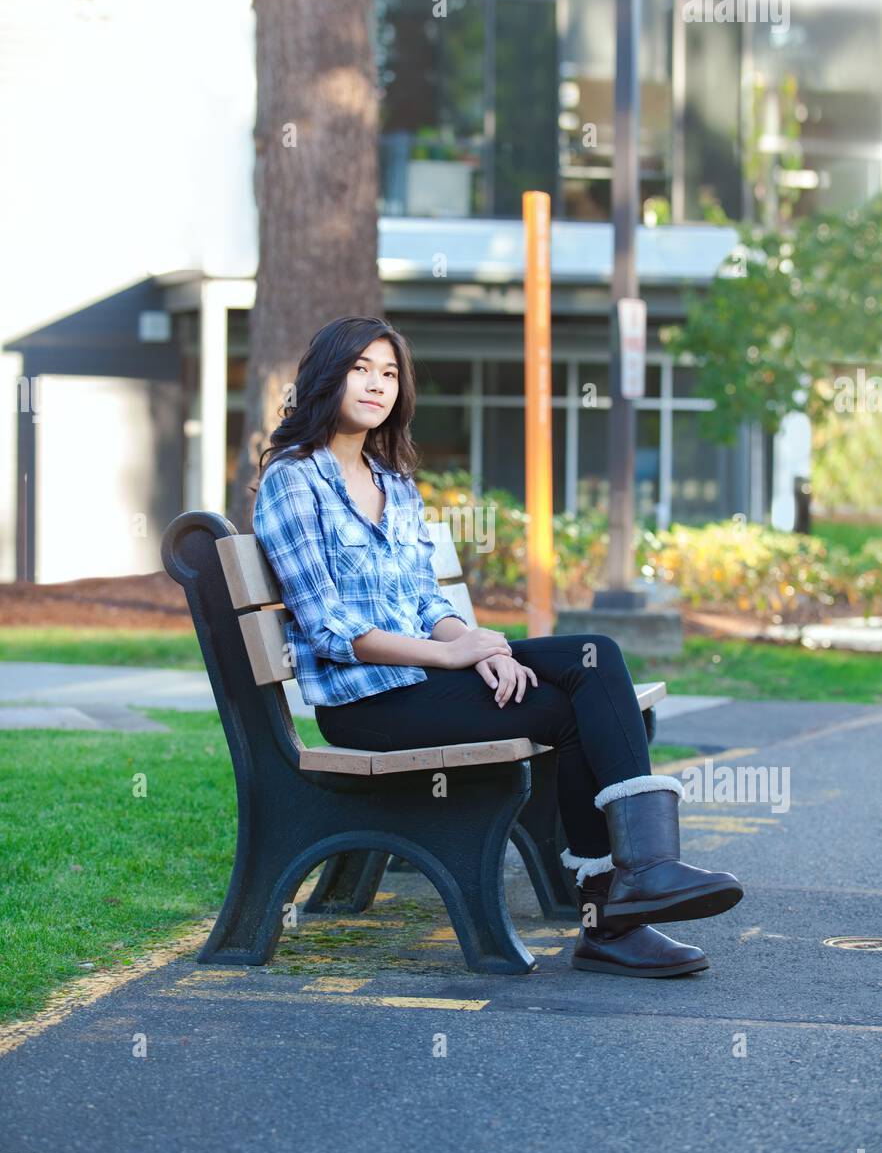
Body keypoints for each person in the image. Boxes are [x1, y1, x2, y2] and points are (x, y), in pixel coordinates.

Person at [250, 316, 744, 979]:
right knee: (570, 707)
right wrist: (452, 657)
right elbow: (331, 631)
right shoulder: (294, 480)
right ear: (326, 376)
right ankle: (618, 911)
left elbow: (428, 603)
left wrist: (477, 645)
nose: (377, 384)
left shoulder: (391, 481)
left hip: (421, 682)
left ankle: (642, 877)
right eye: (361, 368)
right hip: (366, 703)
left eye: (390, 373)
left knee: (594, 657)